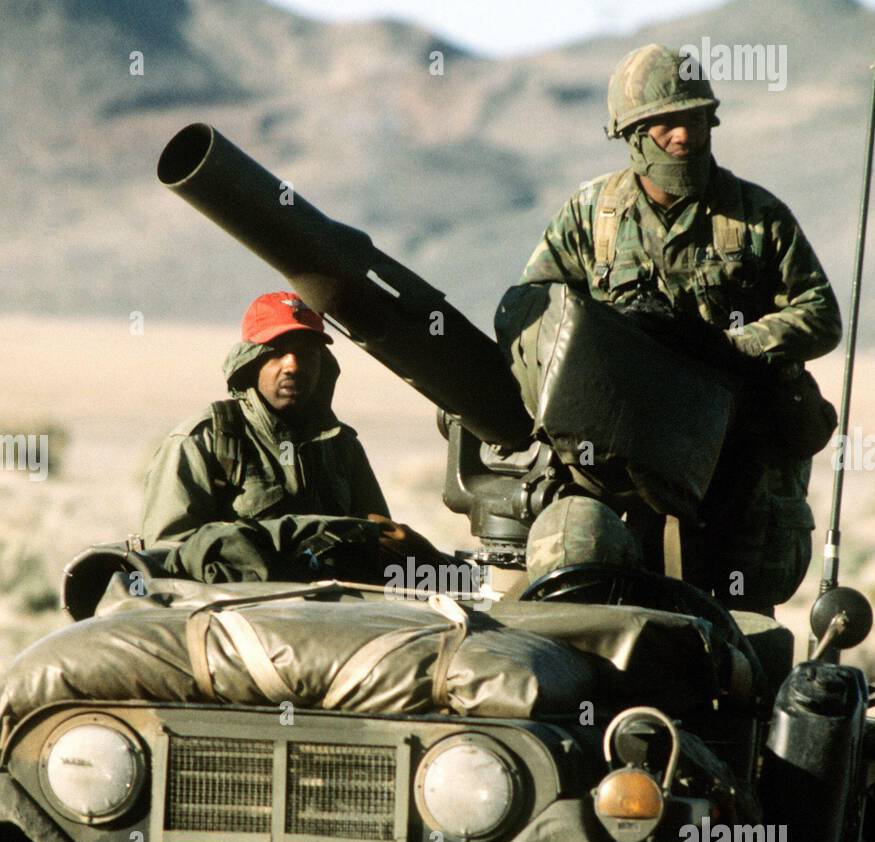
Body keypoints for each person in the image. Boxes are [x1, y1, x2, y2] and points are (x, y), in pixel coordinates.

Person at [498, 43, 841, 616]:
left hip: (740, 466)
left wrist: (733, 346)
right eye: (664, 124)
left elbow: (819, 313)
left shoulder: (757, 217)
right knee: (620, 616)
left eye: (694, 119)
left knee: (742, 626)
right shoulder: (591, 216)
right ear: (633, 136)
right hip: (626, 463)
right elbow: (532, 313)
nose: (682, 136)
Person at [142, 291, 441, 583]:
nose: (293, 365)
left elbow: (377, 544)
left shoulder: (341, 446)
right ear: (251, 360)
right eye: (278, 351)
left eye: (306, 352)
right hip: (238, 619)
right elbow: (168, 557)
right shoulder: (203, 440)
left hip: (338, 617)